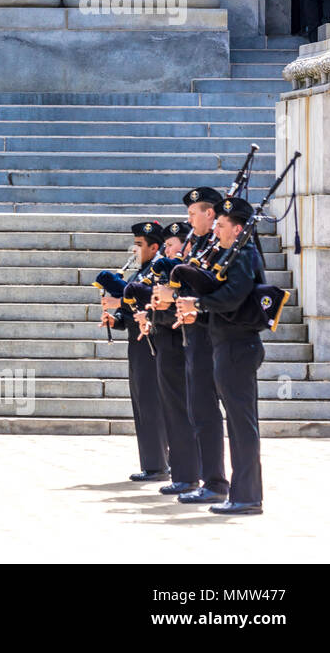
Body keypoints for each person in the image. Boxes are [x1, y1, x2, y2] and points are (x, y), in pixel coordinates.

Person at [175, 195, 268, 515]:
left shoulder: (245, 256)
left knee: (242, 425)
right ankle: (241, 493)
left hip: (238, 346)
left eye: (223, 224)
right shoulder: (232, 254)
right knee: (239, 424)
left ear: (238, 228)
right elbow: (220, 298)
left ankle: (248, 496)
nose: (216, 229)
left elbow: (231, 298)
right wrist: (196, 311)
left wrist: (197, 305)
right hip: (226, 344)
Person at [151, 186, 230, 504]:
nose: (188, 218)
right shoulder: (200, 246)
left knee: (207, 413)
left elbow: (216, 290)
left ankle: (215, 481)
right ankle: (204, 479)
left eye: (192, 212)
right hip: (193, 335)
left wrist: (183, 297)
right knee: (198, 412)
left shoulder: (218, 248)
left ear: (210, 214)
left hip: (210, 336)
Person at [99, 221, 169, 482]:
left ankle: (157, 465)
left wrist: (120, 301)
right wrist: (115, 320)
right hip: (137, 345)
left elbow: (153, 302)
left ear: (154, 247)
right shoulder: (140, 272)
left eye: (140, 245)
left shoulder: (158, 271)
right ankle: (155, 462)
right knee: (143, 404)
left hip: (153, 345)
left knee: (151, 404)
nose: (135, 250)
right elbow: (130, 314)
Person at [135, 221, 200, 497]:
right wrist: (149, 316)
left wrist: (159, 310)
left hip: (182, 347)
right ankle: (183, 473)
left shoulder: (189, 272)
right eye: (167, 244)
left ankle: (192, 475)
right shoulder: (168, 272)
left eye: (172, 244)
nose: (167, 248)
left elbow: (186, 310)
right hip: (165, 344)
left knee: (184, 413)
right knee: (173, 413)